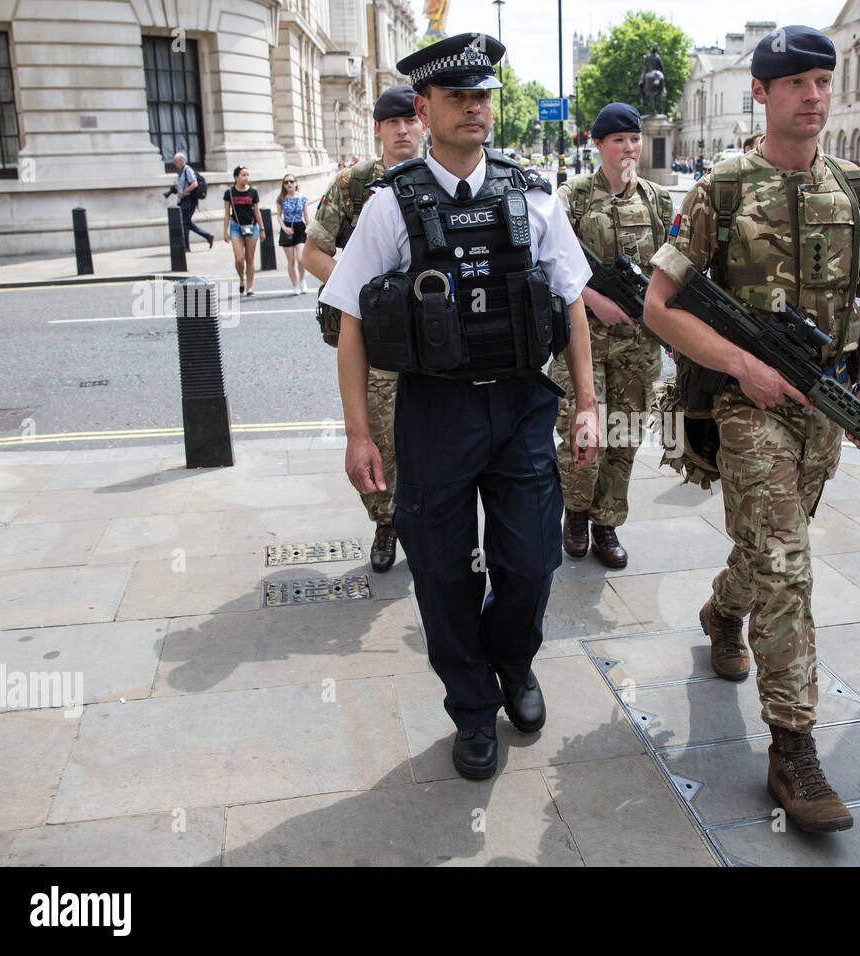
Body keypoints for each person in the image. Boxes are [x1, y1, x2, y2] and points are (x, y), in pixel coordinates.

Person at [318, 33, 598, 781]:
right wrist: (357, 434)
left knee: (533, 561)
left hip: (519, 408)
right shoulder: (389, 204)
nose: (475, 108)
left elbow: (571, 304)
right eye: (458, 97)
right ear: (425, 107)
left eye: (483, 95)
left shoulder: (533, 194)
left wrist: (589, 405)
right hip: (434, 413)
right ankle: (472, 709)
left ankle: (513, 663)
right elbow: (348, 319)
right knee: (442, 574)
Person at [644, 24, 860, 833]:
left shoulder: (858, 191)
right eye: (796, 83)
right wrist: (742, 366)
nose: (815, 95)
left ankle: (724, 611)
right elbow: (659, 305)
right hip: (744, 407)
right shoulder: (721, 187)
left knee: (766, 554)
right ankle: (794, 751)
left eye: (823, 81)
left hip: (822, 408)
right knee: (789, 563)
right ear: (761, 93)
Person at [302, 86, 425, 574]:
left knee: (431, 436)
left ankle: (428, 525)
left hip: (435, 342)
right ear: (377, 130)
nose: (401, 130)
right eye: (390, 123)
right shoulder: (353, 185)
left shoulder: (436, 178)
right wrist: (369, 297)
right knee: (379, 436)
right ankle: (385, 524)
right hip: (374, 343)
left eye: (409, 121)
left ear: (423, 123)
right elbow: (313, 253)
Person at [553, 102, 674, 568]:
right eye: (617, 139)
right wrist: (591, 299)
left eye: (634, 138)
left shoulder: (658, 201)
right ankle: (576, 514)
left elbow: (673, 269)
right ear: (598, 145)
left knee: (624, 435)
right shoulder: (574, 197)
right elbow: (550, 260)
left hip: (637, 345)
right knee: (582, 434)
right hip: (581, 341)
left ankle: (607, 523)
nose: (628, 147)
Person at [222, 166, 263, 295]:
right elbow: (227, 214)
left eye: (247, 175)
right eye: (243, 175)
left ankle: (249, 287)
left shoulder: (253, 192)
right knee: (239, 258)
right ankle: (241, 279)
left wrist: (262, 228)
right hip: (236, 226)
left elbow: (257, 211)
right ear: (236, 177)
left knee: (250, 258)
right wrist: (225, 231)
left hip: (251, 226)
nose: (246, 178)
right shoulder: (229, 193)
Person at [164, 152, 212, 251]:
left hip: (189, 200)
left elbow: (194, 184)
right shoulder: (181, 172)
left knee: (185, 222)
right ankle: (207, 236)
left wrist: (184, 192)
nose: (174, 163)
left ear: (182, 161)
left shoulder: (187, 170)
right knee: (186, 222)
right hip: (183, 200)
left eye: (176, 161)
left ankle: (186, 246)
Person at [276, 174, 310, 294]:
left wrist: (310, 228)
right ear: (284, 185)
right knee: (291, 260)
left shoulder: (302, 198)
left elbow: (306, 215)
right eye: (286, 182)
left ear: (295, 183)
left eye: (291, 181)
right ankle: (295, 285)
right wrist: (284, 228)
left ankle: (302, 280)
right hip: (287, 227)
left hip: (300, 227)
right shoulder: (281, 198)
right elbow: (279, 215)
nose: (289, 184)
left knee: (301, 259)